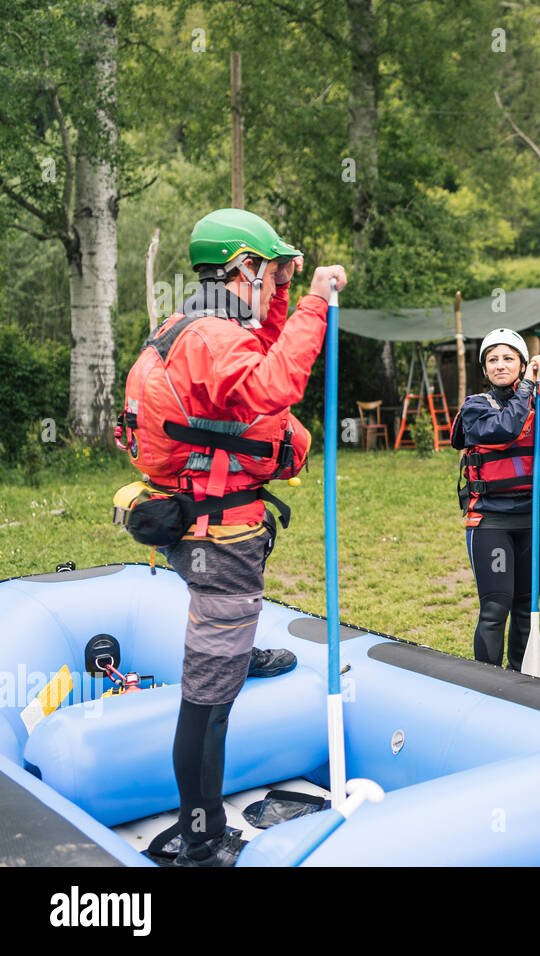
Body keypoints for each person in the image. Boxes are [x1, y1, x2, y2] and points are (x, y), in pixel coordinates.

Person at [116, 208, 343, 866]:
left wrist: (291, 296)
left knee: (225, 639)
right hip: (222, 538)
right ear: (242, 266)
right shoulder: (215, 337)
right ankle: (199, 833)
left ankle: (234, 654)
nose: (274, 288)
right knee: (207, 700)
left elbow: (255, 360)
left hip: (203, 526)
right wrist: (317, 308)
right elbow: (276, 383)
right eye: (268, 274)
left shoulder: (196, 324)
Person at [452, 329, 540, 670]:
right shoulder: (476, 406)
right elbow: (506, 428)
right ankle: (488, 684)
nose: (500, 365)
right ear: (485, 369)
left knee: (526, 608)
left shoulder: (538, 400)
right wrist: (529, 388)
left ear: (522, 364)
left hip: (535, 520)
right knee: (495, 608)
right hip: (492, 522)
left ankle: (521, 683)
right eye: (493, 359)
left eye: (508, 358)